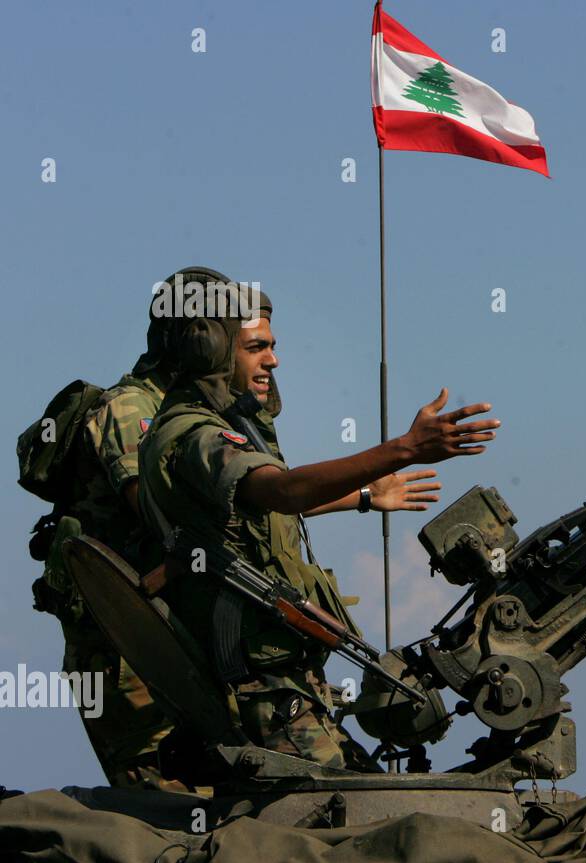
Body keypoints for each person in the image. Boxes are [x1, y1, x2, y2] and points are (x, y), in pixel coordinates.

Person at [138, 272, 498, 771]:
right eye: (256, 347)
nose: (273, 360)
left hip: (285, 683)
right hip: (261, 693)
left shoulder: (227, 428)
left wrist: (368, 494)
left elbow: (258, 516)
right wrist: (404, 450)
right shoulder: (195, 436)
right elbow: (282, 492)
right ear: (211, 354)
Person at [22, 269, 239, 790]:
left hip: (164, 638)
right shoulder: (131, 409)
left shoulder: (181, 411)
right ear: (199, 340)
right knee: (158, 799)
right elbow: (158, 509)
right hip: (124, 643)